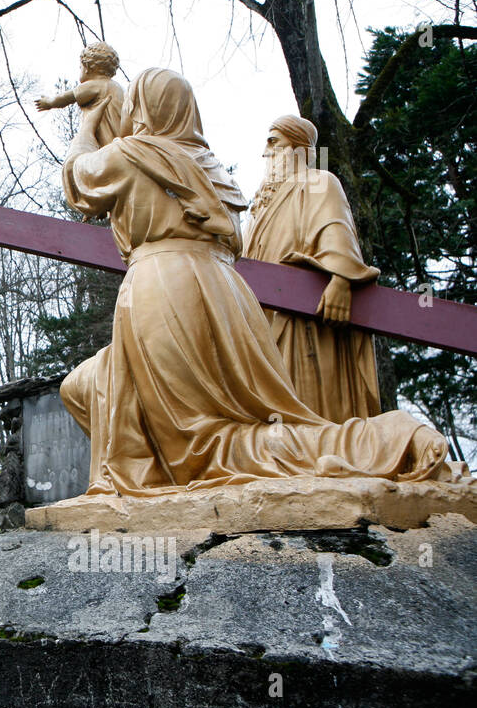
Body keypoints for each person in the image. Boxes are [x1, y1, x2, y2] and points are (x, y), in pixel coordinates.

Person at [58, 68, 451, 498]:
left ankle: (385, 441)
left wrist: (90, 119)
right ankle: (371, 442)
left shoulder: (133, 153)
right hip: (229, 294)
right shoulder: (208, 168)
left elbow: (77, 178)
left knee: (206, 446)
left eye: (136, 105)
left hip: (163, 289)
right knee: (97, 390)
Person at [243, 115, 380, 421]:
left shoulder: (319, 182)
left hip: (304, 314)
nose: (266, 151)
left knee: (304, 403)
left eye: (274, 141)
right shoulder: (258, 206)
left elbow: (337, 230)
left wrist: (341, 280)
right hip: (261, 318)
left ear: (298, 147)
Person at [35, 41, 126, 148]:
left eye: (80, 67)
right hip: (121, 141)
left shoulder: (95, 84)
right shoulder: (119, 88)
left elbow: (66, 98)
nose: (80, 70)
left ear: (87, 68)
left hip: (104, 143)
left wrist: (49, 102)